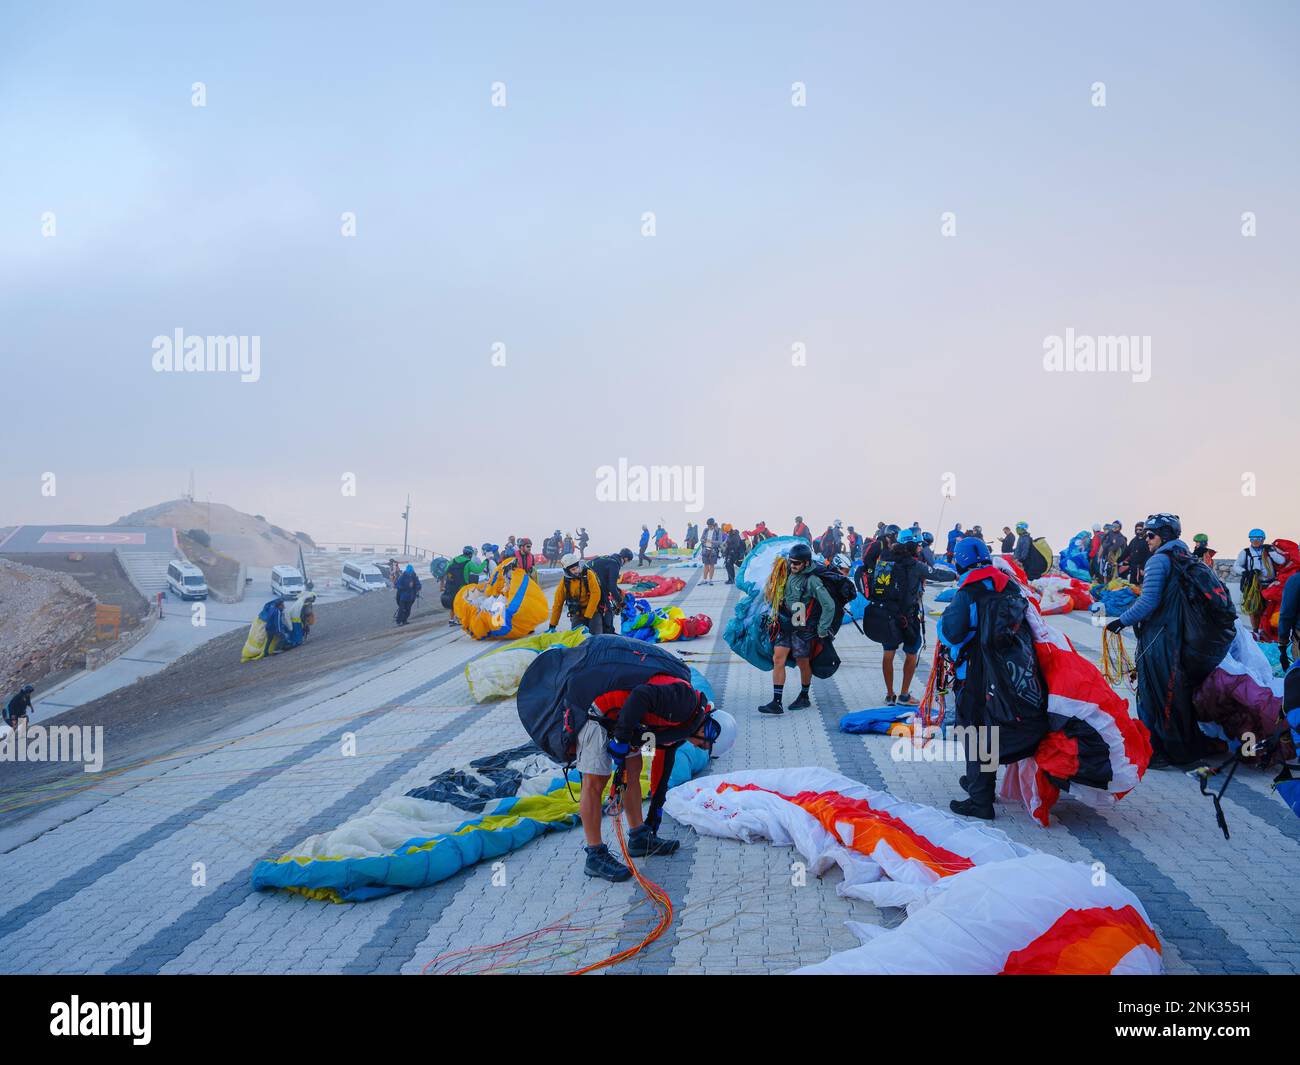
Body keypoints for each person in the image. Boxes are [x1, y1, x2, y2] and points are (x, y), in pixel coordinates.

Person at [575, 660, 727, 880]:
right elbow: (641, 695)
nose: (699, 747)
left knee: (633, 768)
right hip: (599, 710)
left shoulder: (683, 727)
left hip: (624, 718)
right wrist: (621, 738)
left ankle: (638, 837)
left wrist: (655, 812)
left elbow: (662, 765)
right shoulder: (685, 701)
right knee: (596, 780)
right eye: (705, 743)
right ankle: (594, 854)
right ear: (708, 722)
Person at [938, 537, 1048, 819]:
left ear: (960, 561)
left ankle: (980, 801)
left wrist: (941, 623)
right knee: (988, 729)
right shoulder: (1009, 584)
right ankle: (979, 782)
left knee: (973, 732)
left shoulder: (968, 592)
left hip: (975, 671)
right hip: (1007, 673)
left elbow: (952, 633)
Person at [1106, 513, 1216, 767]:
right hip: (1182, 637)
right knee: (1174, 693)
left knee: (1149, 694)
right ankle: (1181, 746)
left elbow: (1148, 600)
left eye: (1151, 535)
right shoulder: (1185, 557)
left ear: (1164, 535)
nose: (1147, 541)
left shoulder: (1159, 561)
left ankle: (1155, 750)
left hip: (1159, 638)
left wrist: (1121, 621)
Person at [758, 541, 835, 716]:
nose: (793, 565)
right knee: (778, 659)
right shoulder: (785, 572)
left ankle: (804, 696)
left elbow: (829, 605)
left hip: (802, 627)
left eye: (797, 563)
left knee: (803, 662)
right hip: (784, 624)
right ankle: (776, 702)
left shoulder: (813, 581)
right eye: (791, 561)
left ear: (806, 563)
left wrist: (823, 629)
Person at [867, 528, 928, 705]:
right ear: (911, 545)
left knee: (888, 653)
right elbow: (936, 574)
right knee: (911, 653)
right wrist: (956, 575)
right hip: (909, 619)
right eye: (918, 545)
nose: (920, 548)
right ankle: (904, 695)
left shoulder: (885, 561)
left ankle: (889, 694)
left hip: (889, 616)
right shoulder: (916, 565)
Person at [1234, 529, 1287, 636]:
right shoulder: (1245, 553)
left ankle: (1267, 632)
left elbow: (1281, 561)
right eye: (1253, 538)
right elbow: (1236, 566)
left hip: (1270, 585)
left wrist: (1272, 552)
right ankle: (1256, 631)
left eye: (1258, 538)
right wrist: (1246, 572)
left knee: (1269, 609)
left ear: (1263, 539)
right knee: (1254, 609)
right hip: (1254, 586)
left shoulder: (1269, 551)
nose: (1255, 541)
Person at [549, 552, 605, 634]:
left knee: (596, 637)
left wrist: (588, 616)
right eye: (573, 569)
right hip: (577, 614)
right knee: (576, 639)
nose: (577, 571)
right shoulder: (565, 582)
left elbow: (596, 594)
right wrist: (552, 625)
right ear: (567, 571)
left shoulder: (588, 575)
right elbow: (558, 604)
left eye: (577, 567)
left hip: (593, 612)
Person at [590, 548, 635, 633]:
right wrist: (621, 602)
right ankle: (609, 631)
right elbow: (612, 587)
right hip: (594, 587)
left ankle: (604, 629)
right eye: (628, 561)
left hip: (591, 583)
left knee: (605, 605)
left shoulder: (608, 559)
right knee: (609, 607)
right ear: (626, 559)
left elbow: (608, 582)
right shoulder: (614, 564)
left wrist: (618, 590)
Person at [699, 517, 723, 585]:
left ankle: (710, 580)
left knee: (712, 565)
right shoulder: (705, 530)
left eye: (710, 525)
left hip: (713, 551)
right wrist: (704, 540)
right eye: (708, 525)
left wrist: (711, 541)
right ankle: (704, 579)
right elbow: (701, 539)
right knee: (706, 565)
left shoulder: (718, 531)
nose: (709, 527)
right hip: (705, 550)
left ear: (713, 524)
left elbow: (720, 542)